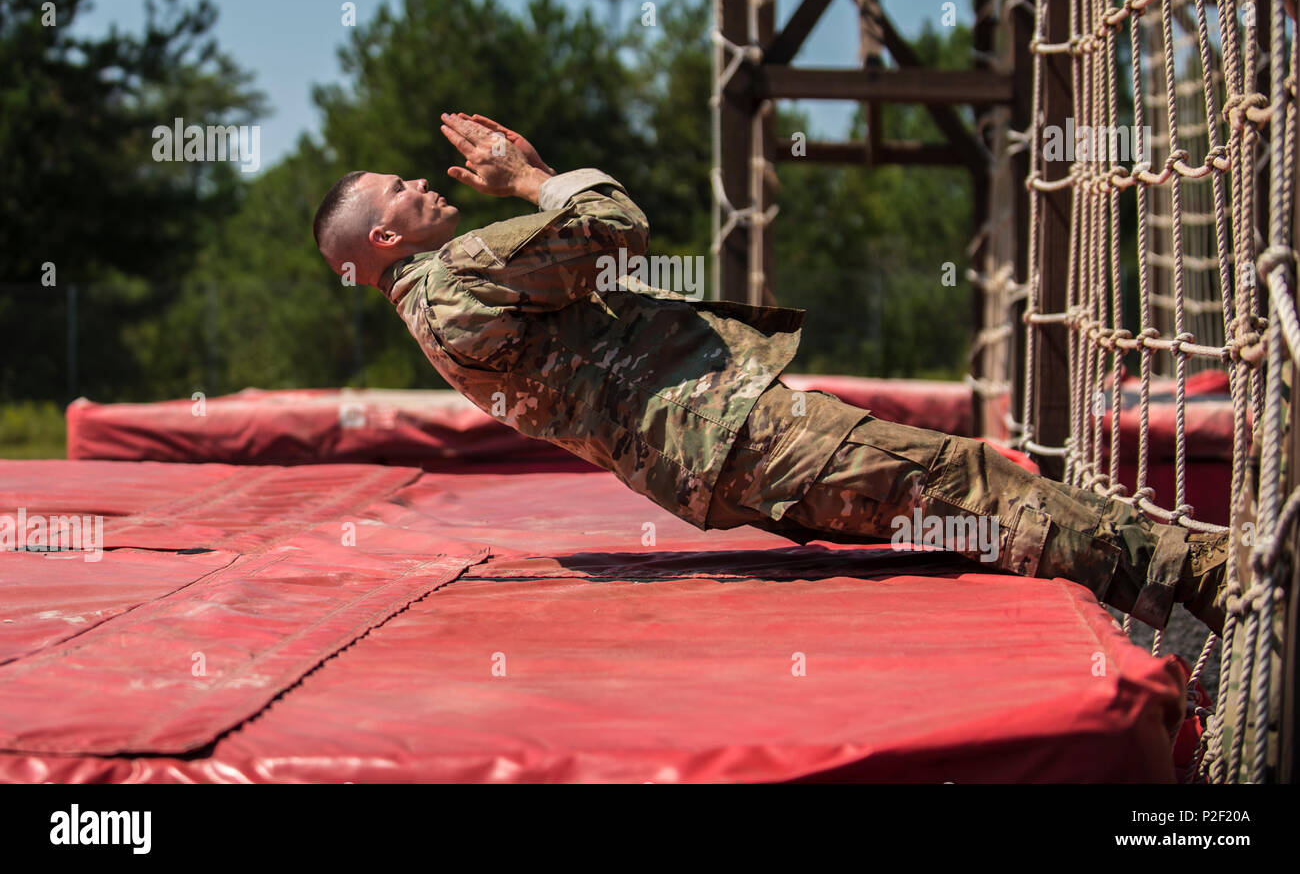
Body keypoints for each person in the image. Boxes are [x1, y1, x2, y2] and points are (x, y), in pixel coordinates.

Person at [312, 112, 1231, 636]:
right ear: (384, 238)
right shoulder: (462, 274)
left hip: (712, 462)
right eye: (401, 190)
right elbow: (617, 226)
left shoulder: (430, 310)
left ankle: (1167, 575)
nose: (425, 185)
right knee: (964, 485)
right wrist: (529, 178)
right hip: (737, 436)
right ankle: (1205, 576)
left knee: (950, 509)